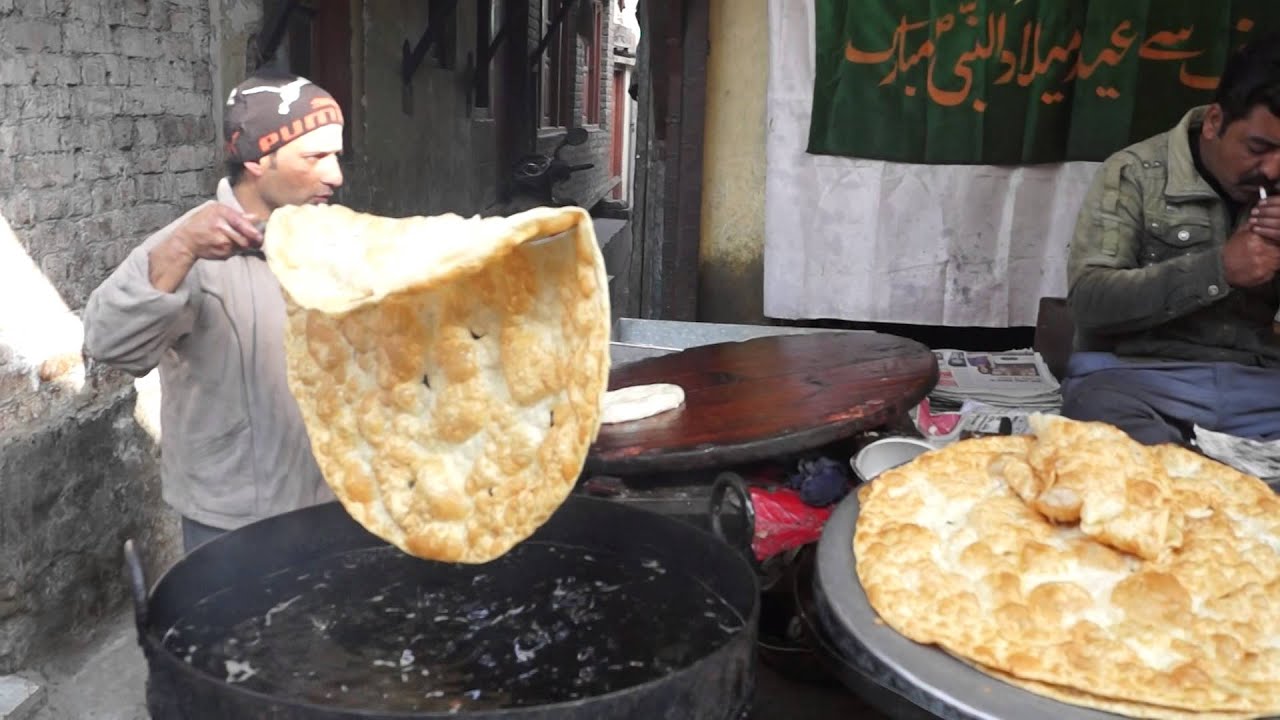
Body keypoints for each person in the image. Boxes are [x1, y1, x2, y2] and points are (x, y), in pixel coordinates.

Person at [82, 71, 346, 552]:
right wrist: (181, 249)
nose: (336, 175)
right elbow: (107, 341)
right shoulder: (193, 246)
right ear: (258, 159)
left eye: (336, 155)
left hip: (333, 502)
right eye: (315, 157)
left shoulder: (332, 239)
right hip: (235, 523)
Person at [1061, 33, 1280, 446]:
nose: (1272, 169)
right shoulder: (1135, 173)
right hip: (1141, 381)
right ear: (1215, 121)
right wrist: (1220, 269)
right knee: (1100, 422)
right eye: (1258, 147)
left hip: (1259, 387)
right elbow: (1089, 302)